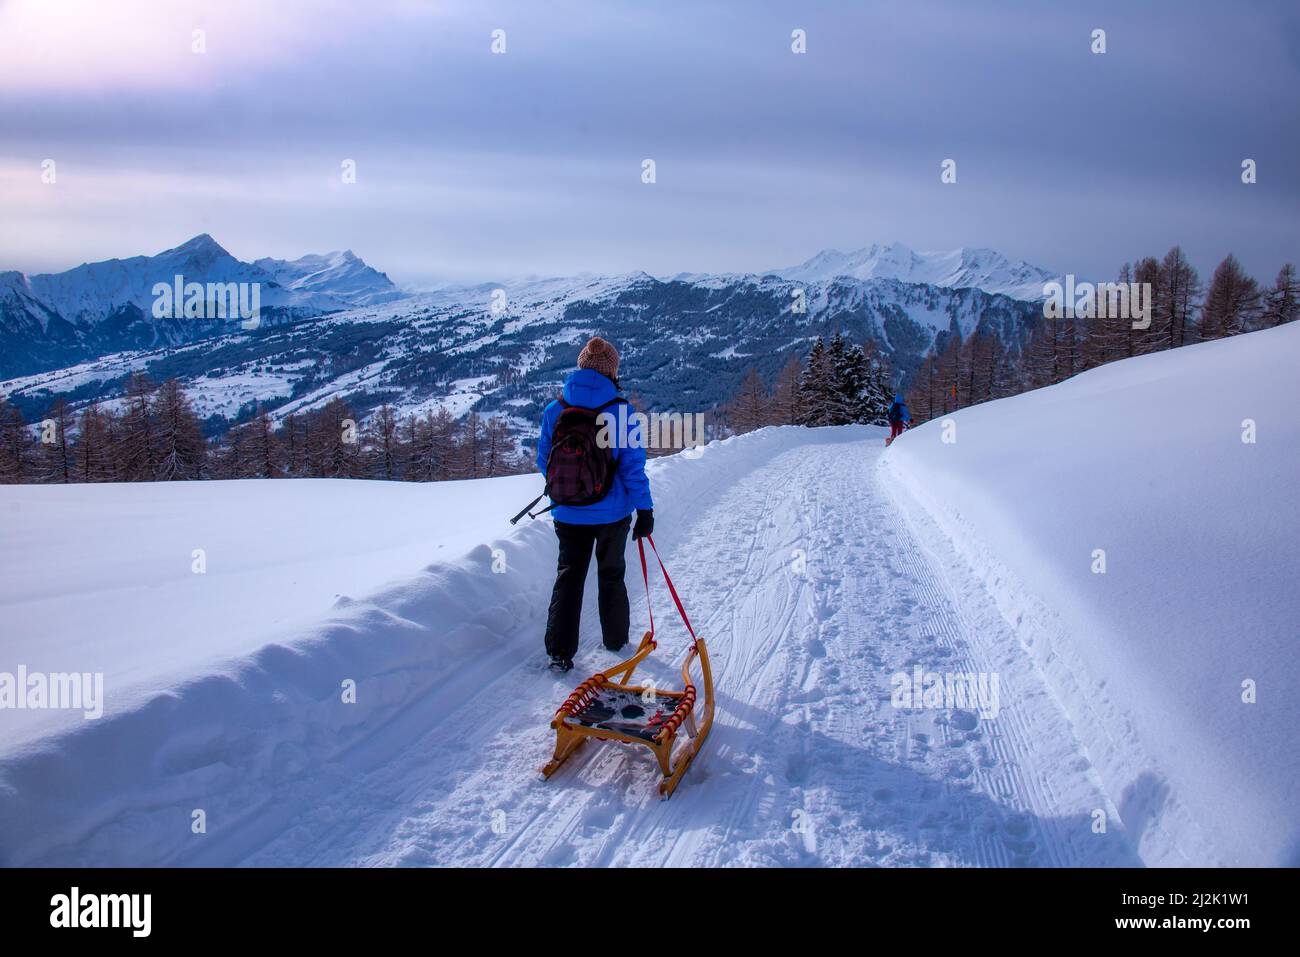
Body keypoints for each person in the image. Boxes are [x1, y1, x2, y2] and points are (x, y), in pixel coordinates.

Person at [536, 337, 654, 672]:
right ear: (612, 371)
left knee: (569, 576)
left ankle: (559, 652)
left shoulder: (555, 409)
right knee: (611, 575)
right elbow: (633, 468)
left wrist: (568, 489)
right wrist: (644, 510)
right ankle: (615, 642)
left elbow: (543, 459)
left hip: (567, 512)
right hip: (612, 514)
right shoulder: (621, 413)